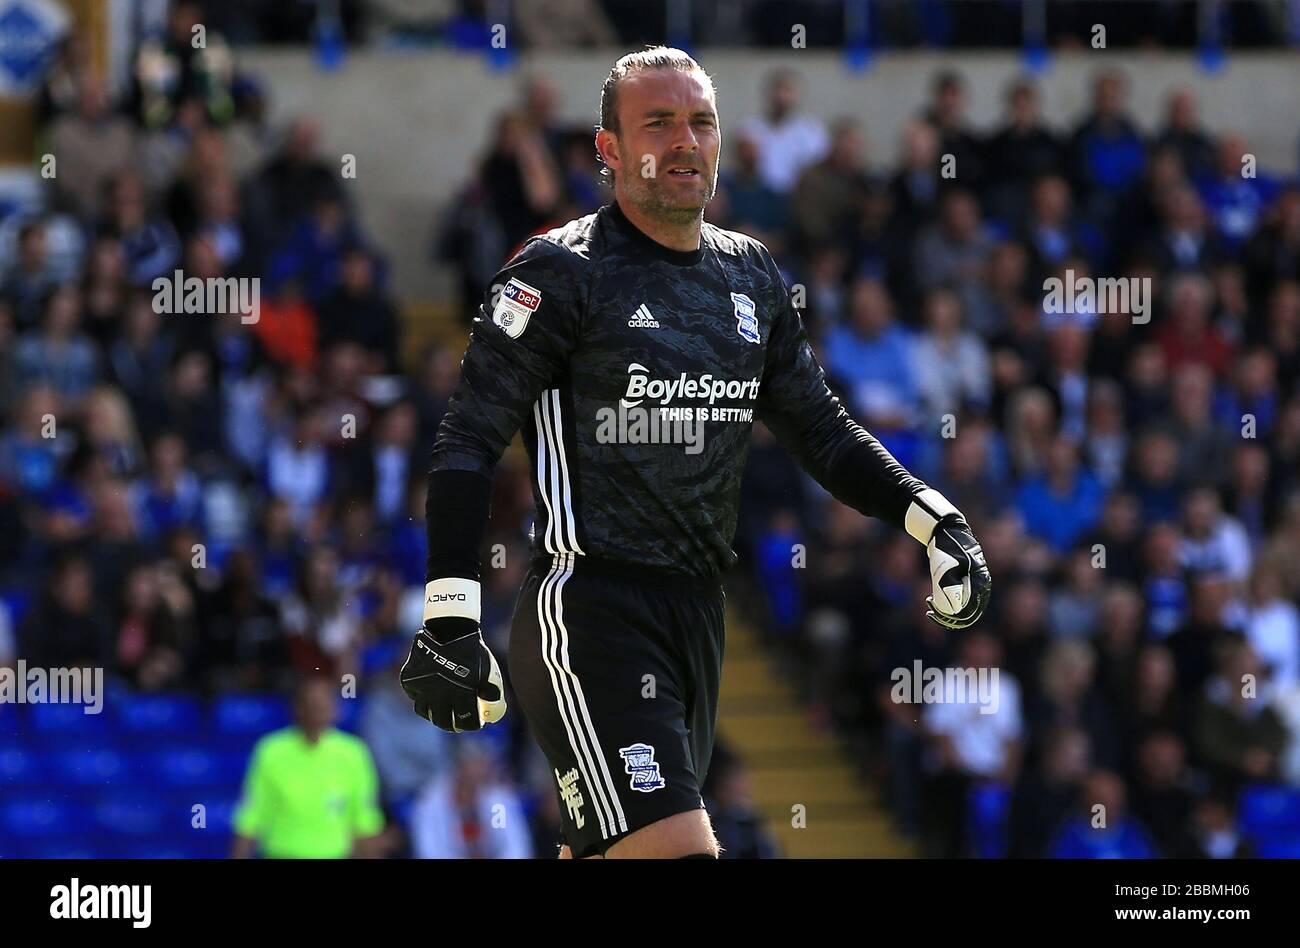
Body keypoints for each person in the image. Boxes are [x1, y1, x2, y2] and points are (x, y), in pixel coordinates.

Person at [399, 47, 991, 860]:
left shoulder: (751, 278)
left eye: (701, 121)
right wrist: (450, 616)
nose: (685, 141)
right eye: (659, 122)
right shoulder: (558, 273)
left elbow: (822, 431)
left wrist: (934, 520)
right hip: (590, 609)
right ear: (608, 152)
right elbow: (467, 439)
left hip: (698, 619)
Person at [232, 675, 384, 858]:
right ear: (298, 708)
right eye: (312, 707)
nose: (318, 714)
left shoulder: (353, 754)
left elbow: (364, 821)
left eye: (324, 707)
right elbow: (251, 816)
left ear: (335, 710)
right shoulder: (271, 751)